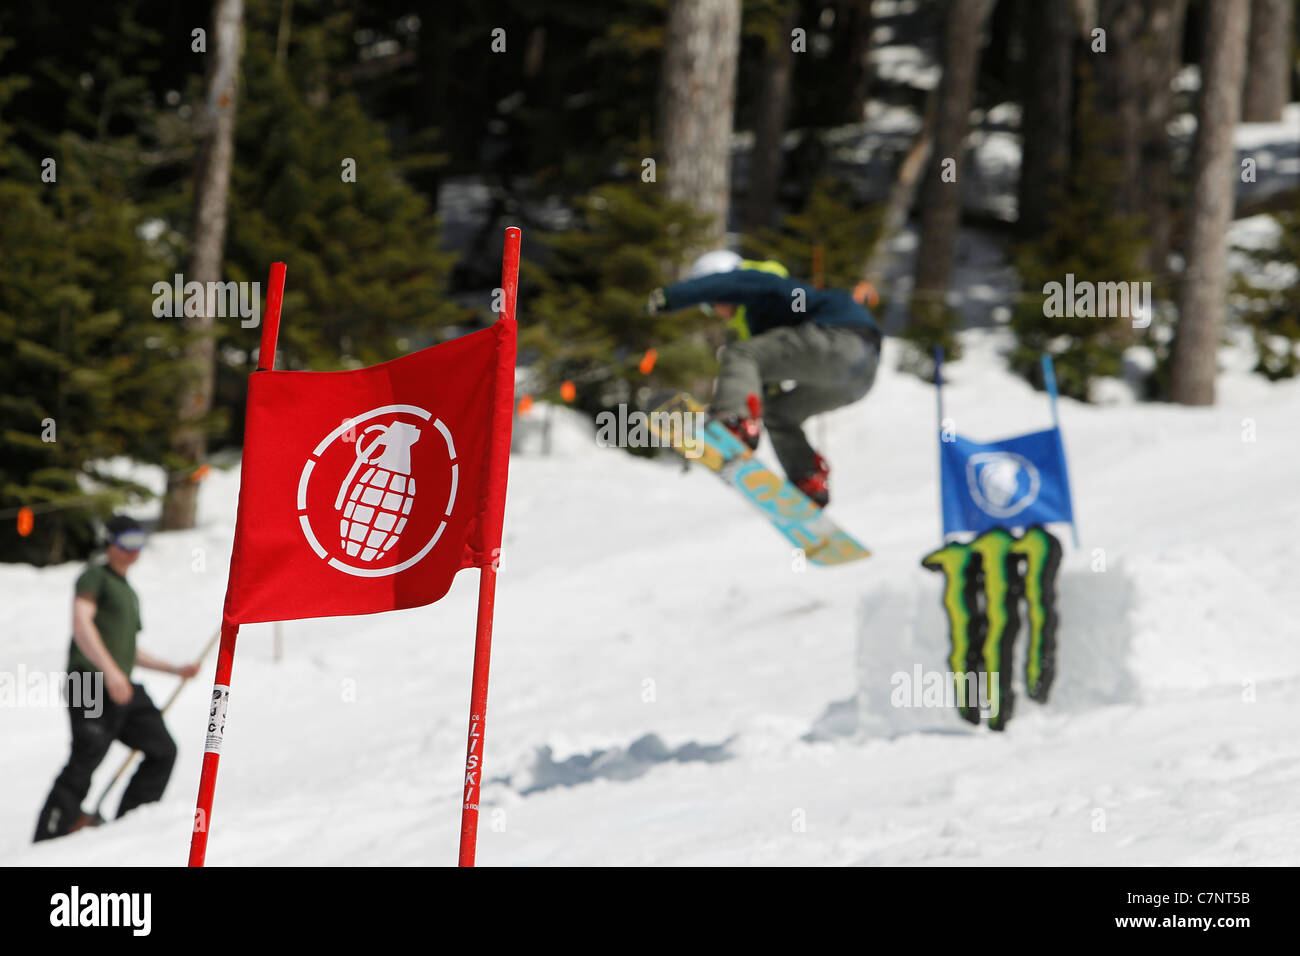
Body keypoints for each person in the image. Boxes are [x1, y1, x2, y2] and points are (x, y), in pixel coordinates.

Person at [647, 250, 882, 507]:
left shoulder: (758, 282)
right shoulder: (770, 315)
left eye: (711, 303)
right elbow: (763, 381)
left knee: (741, 353)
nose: (715, 312)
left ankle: (733, 425)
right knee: (779, 413)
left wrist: (670, 297)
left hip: (839, 338)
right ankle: (808, 479)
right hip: (862, 373)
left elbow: (724, 286)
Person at [33, 515, 201, 841]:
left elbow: (128, 649)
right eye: (126, 544)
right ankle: (50, 834)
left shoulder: (128, 592)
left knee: (162, 749)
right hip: (88, 682)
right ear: (110, 543)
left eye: (139, 544)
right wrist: (109, 672)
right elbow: (82, 625)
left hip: (119, 685)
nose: (132, 553)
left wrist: (173, 668)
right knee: (88, 753)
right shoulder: (95, 577)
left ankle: (127, 827)